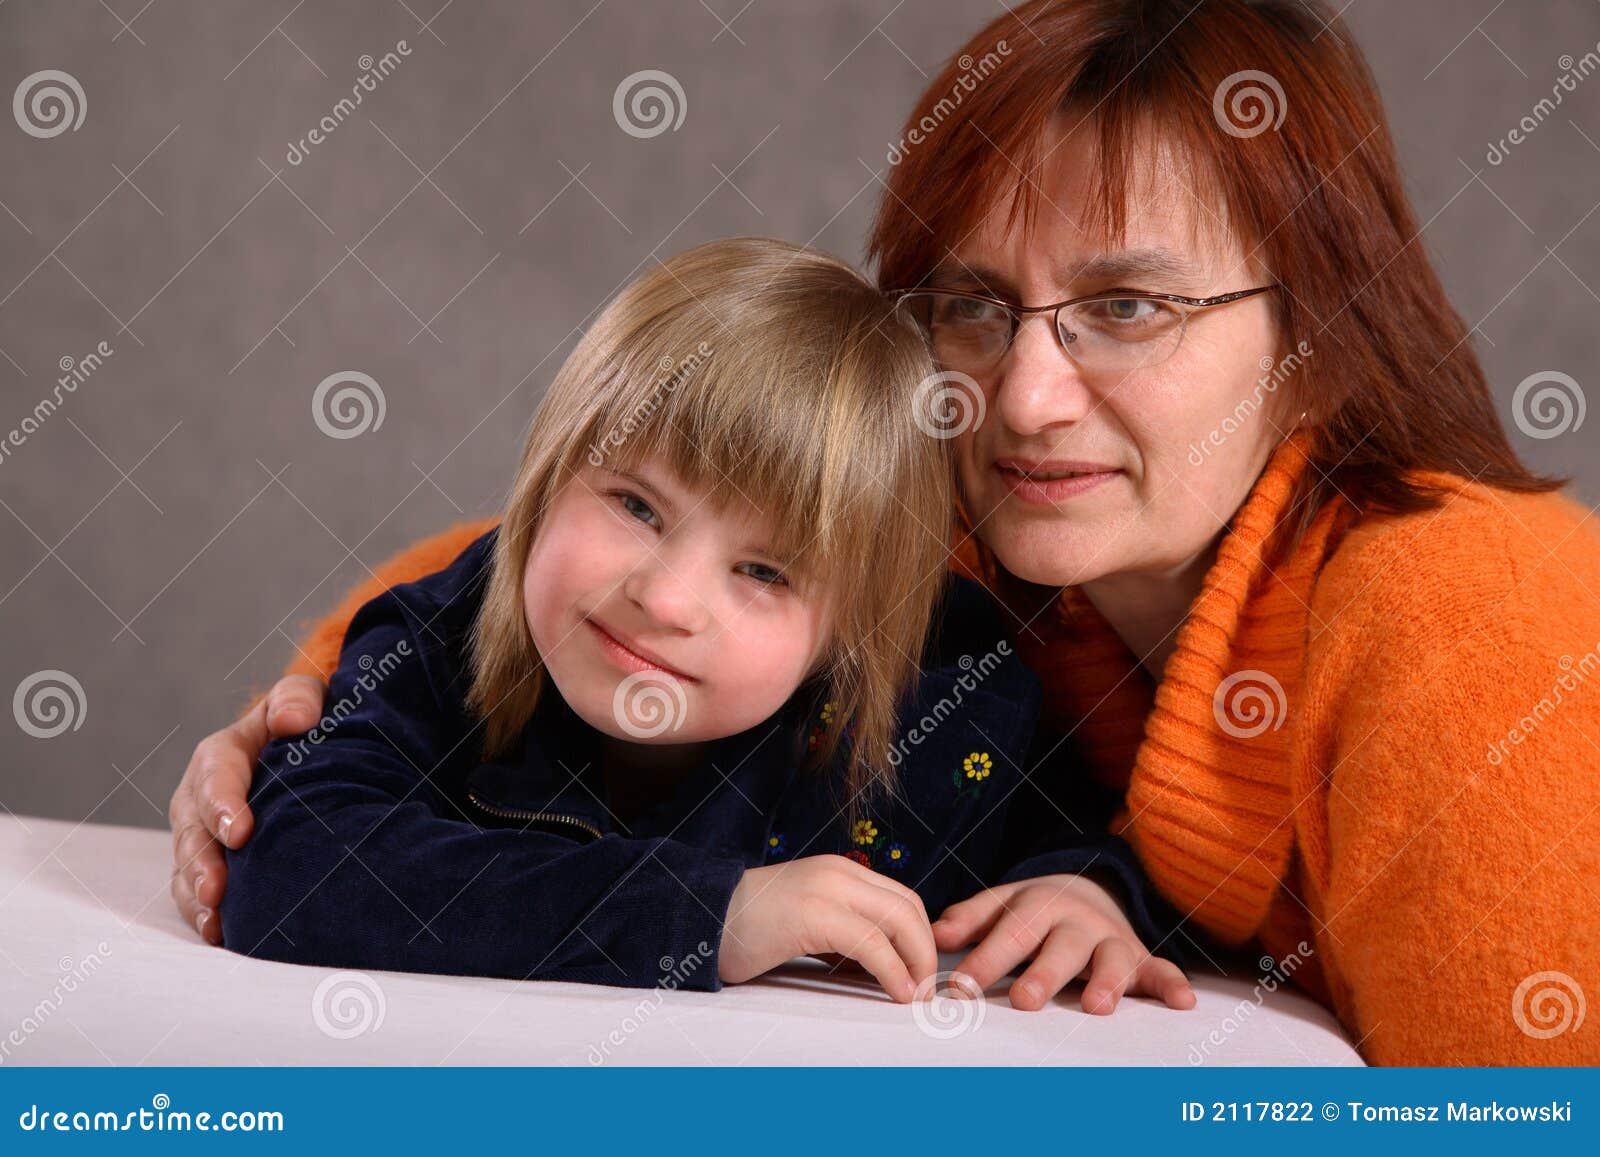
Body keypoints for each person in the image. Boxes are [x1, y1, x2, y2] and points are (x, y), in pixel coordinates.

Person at [175, 0, 1600, 1061]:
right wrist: (300, 710)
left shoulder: (1473, 616)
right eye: (973, 304)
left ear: (1319, 338)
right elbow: (563, 551)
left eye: (1126, 306)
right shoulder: (978, 545)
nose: (1025, 397)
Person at [215, 236, 1195, 1010]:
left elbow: (1086, 834)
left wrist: (1090, 887)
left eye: (764, 571)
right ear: (549, 475)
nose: (667, 599)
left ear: (852, 631)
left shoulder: (943, 703)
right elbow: (294, 866)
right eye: (635, 505)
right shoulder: (445, 634)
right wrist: (709, 915)